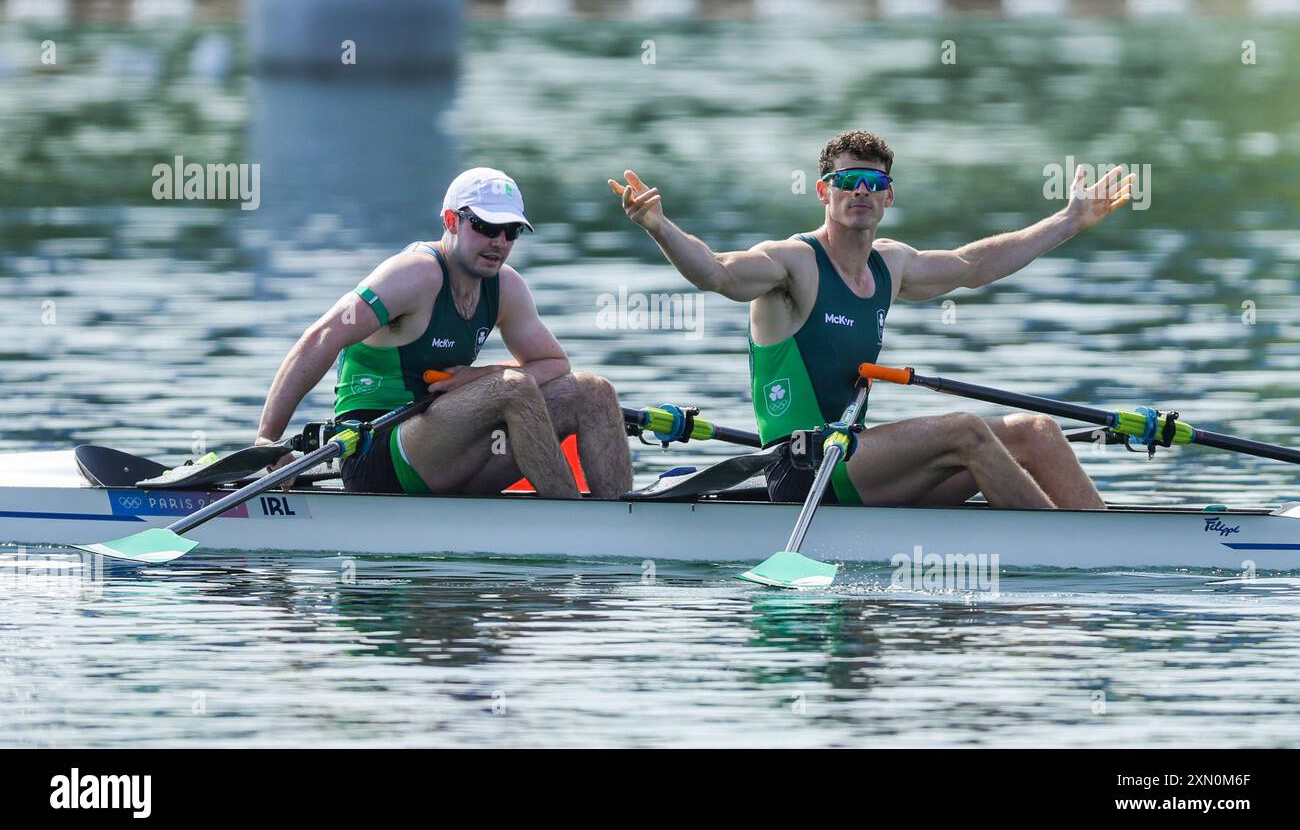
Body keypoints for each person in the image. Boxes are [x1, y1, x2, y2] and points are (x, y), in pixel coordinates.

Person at [611, 131, 1134, 509]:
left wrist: (1069, 221)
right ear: (824, 192)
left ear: (888, 194)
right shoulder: (792, 263)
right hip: (803, 469)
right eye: (846, 181)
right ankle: (1061, 547)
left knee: (1037, 431)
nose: (860, 191)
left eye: (872, 182)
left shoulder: (891, 264)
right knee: (965, 430)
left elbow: (974, 266)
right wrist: (659, 226)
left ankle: (1104, 545)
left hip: (854, 462)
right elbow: (717, 272)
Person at [256, 167, 632, 499]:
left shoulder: (506, 287)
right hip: (375, 451)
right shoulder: (414, 274)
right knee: (513, 387)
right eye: (486, 227)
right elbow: (322, 337)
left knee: (594, 392)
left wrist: (478, 375)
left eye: (511, 231)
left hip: (448, 448)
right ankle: (574, 525)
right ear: (452, 220)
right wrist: (268, 439)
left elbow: (553, 363)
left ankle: (619, 520)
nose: (500, 242)